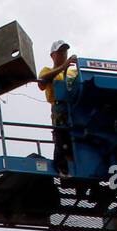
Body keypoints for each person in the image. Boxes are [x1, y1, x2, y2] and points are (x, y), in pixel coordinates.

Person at [36, 39, 74, 173]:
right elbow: (41, 83)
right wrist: (63, 67)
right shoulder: (47, 70)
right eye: (60, 51)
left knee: (76, 136)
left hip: (75, 108)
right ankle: (62, 167)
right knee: (61, 135)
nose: (63, 54)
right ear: (53, 55)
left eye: (65, 51)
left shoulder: (74, 73)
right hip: (59, 108)